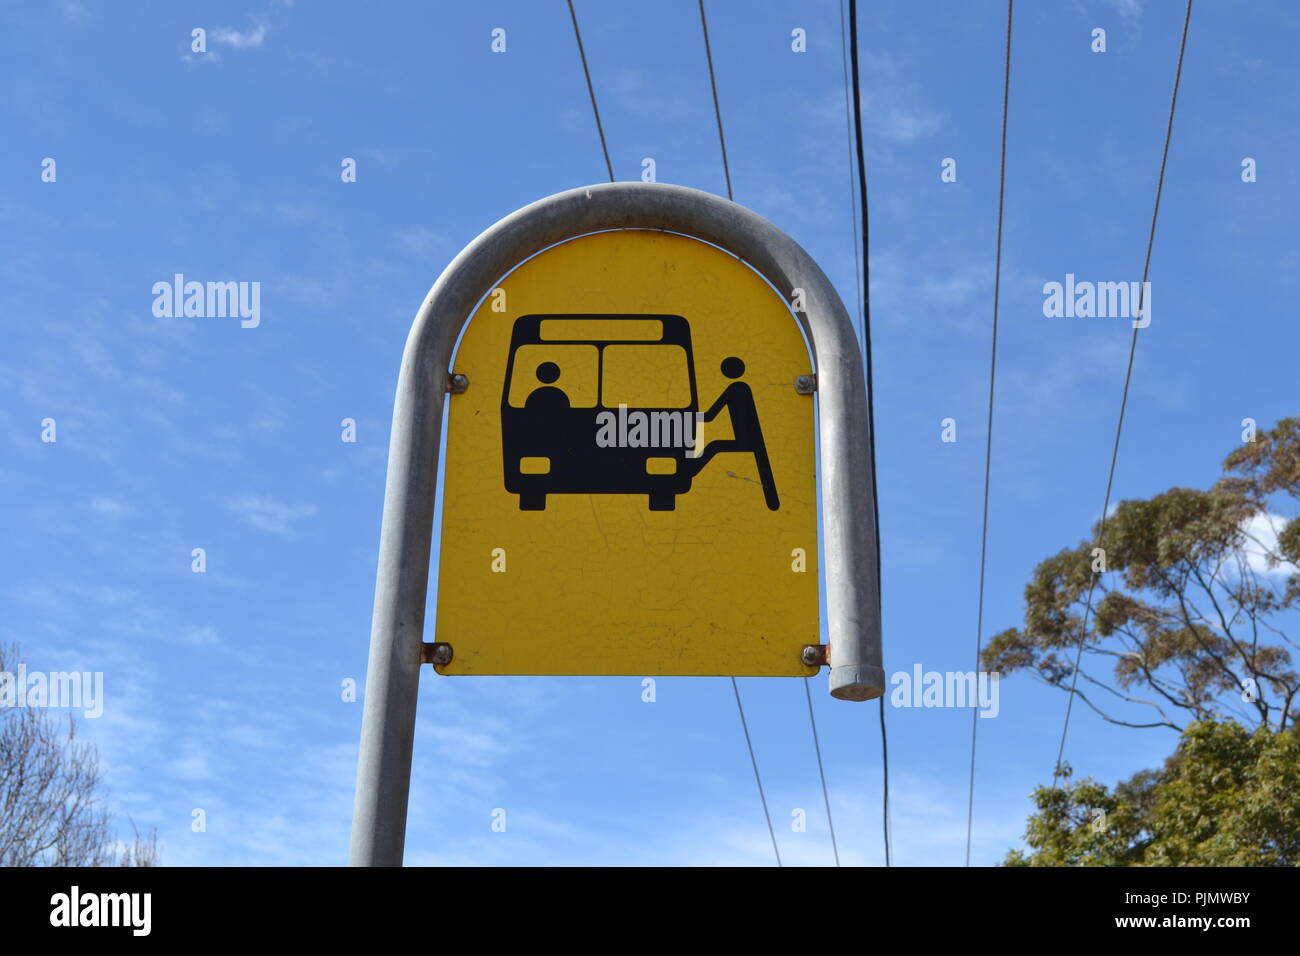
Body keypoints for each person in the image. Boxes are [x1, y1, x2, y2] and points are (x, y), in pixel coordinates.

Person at [694, 357, 779, 510]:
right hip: (753, 440)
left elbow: (711, 415)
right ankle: (773, 503)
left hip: (745, 439)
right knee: (763, 468)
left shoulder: (735, 389)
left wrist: (692, 417)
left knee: (715, 446)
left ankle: (690, 470)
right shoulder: (742, 387)